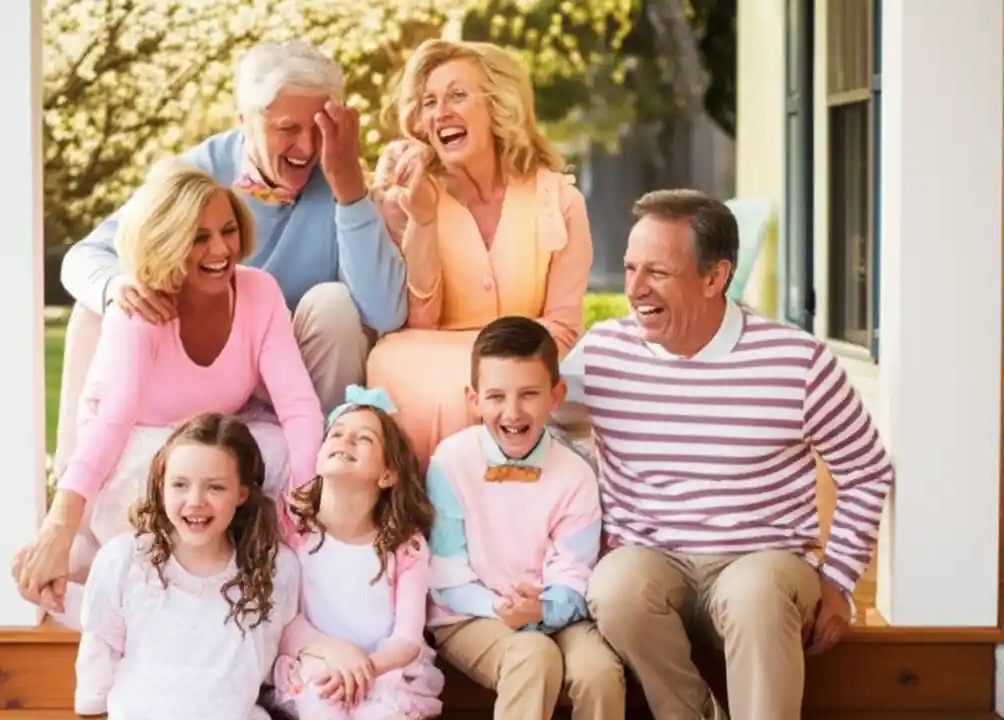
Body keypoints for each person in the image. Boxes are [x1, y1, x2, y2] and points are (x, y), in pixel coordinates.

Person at [566, 190, 896, 720]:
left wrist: (837, 581)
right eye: (630, 268)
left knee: (753, 593)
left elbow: (865, 470)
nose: (634, 289)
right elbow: (532, 429)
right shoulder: (602, 352)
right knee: (614, 586)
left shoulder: (796, 360)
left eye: (657, 272)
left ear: (715, 277)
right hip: (652, 561)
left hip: (762, 564)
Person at [55, 40, 407, 476]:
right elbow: (85, 255)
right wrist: (116, 287)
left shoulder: (340, 175)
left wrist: (349, 189)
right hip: (198, 368)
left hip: (287, 372)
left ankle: (316, 479)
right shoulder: (196, 173)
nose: (307, 147)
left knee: (336, 306)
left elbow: (384, 312)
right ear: (245, 121)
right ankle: (75, 492)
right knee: (95, 313)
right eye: (287, 129)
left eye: (318, 128)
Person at [13, 159, 322, 615]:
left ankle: (246, 582)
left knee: (280, 451)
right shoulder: (140, 308)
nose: (220, 249)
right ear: (168, 241)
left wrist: (305, 503)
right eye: (199, 237)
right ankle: (163, 593)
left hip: (207, 446)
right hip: (132, 455)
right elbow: (110, 425)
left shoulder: (259, 291)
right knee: (172, 470)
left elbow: (298, 408)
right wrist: (59, 527)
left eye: (228, 230)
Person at [366, 39, 592, 465]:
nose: (439, 113)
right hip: (420, 358)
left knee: (489, 390)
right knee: (445, 384)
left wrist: (500, 366)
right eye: (429, 102)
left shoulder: (559, 200)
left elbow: (562, 327)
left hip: (526, 357)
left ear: (498, 106)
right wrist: (424, 221)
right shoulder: (410, 195)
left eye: (457, 95)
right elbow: (422, 319)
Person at [425, 317, 622, 719]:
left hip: (554, 610)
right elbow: (446, 574)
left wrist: (543, 611)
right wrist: (501, 607)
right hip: (470, 613)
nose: (512, 412)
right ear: (473, 399)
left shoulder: (576, 473)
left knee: (599, 672)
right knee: (532, 654)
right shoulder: (451, 461)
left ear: (556, 395)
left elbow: (574, 571)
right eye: (495, 396)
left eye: (529, 394)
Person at [74, 412, 300, 719]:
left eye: (215, 487)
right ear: (161, 486)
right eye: (179, 484)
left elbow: (283, 654)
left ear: (242, 493)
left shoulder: (275, 568)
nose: (195, 501)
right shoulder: (124, 560)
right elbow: (98, 654)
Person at [271, 386, 443, 719]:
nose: (345, 441)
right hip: (317, 662)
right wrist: (333, 657)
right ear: (318, 458)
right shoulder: (291, 532)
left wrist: (363, 668)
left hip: (385, 669)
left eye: (364, 438)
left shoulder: (406, 547)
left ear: (387, 474)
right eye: (336, 433)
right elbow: (283, 620)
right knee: (325, 706)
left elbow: (407, 639)